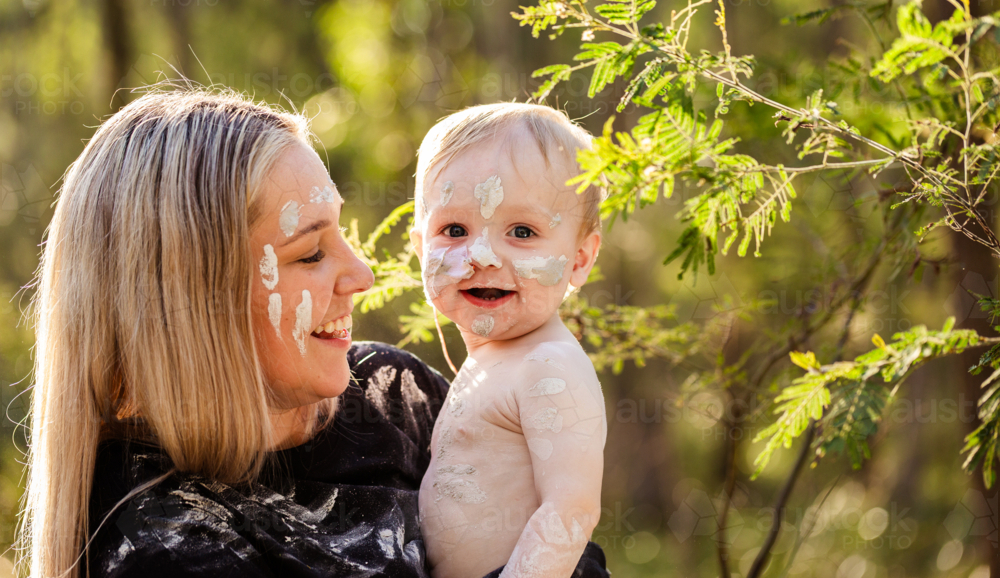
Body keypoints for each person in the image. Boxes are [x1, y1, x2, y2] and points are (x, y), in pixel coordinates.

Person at [18, 88, 609, 578]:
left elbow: (574, 549)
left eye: (344, 235)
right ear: (195, 300)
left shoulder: (390, 398)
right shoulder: (161, 543)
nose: (362, 274)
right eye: (310, 254)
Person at [412, 103, 607, 578]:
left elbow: (571, 510)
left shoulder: (549, 365)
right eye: (454, 230)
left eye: (522, 232)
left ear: (579, 259)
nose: (482, 255)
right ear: (419, 247)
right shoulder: (491, 363)